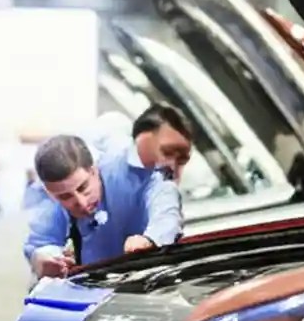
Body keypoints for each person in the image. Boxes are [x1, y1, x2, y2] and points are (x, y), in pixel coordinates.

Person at [23, 105, 194, 278]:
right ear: (50, 192)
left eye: (83, 187)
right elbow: (41, 244)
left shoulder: (133, 172)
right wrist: (45, 260)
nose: (81, 203)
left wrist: (150, 239)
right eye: (65, 197)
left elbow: (166, 211)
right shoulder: (46, 200)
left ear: (94, 170)